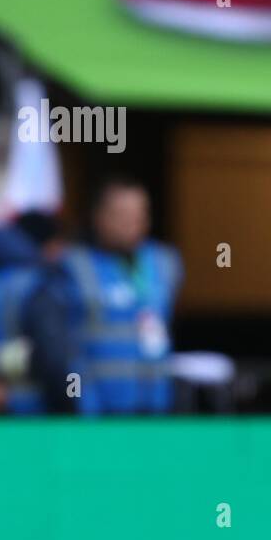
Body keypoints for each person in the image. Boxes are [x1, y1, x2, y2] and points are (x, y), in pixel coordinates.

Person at [25, 178, 182, 415]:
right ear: (99, 217)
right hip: (98, 414)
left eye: (140, 213)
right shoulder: (72, 267)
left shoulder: (164, 263)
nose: (133, 222)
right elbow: (58, 349)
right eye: (122, 214)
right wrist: (79, 402)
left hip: (155, 410)